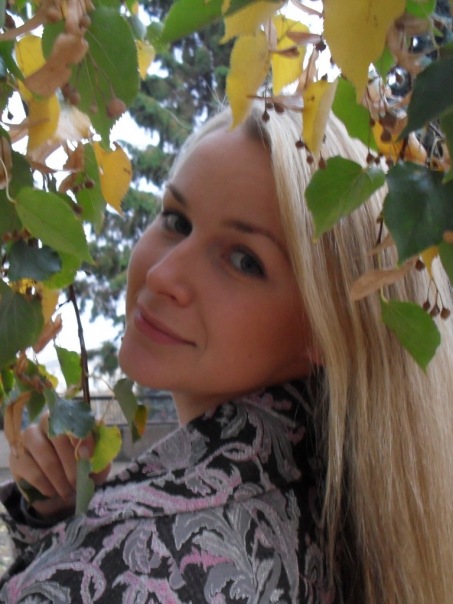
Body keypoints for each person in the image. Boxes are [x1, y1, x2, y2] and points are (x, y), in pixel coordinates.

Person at [0, 103, 452, 604]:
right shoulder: (331, 518)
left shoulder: (144, 555)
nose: (162, 276)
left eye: (243, 260)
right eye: (176, 221)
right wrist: (58, 523)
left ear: (325, 329)